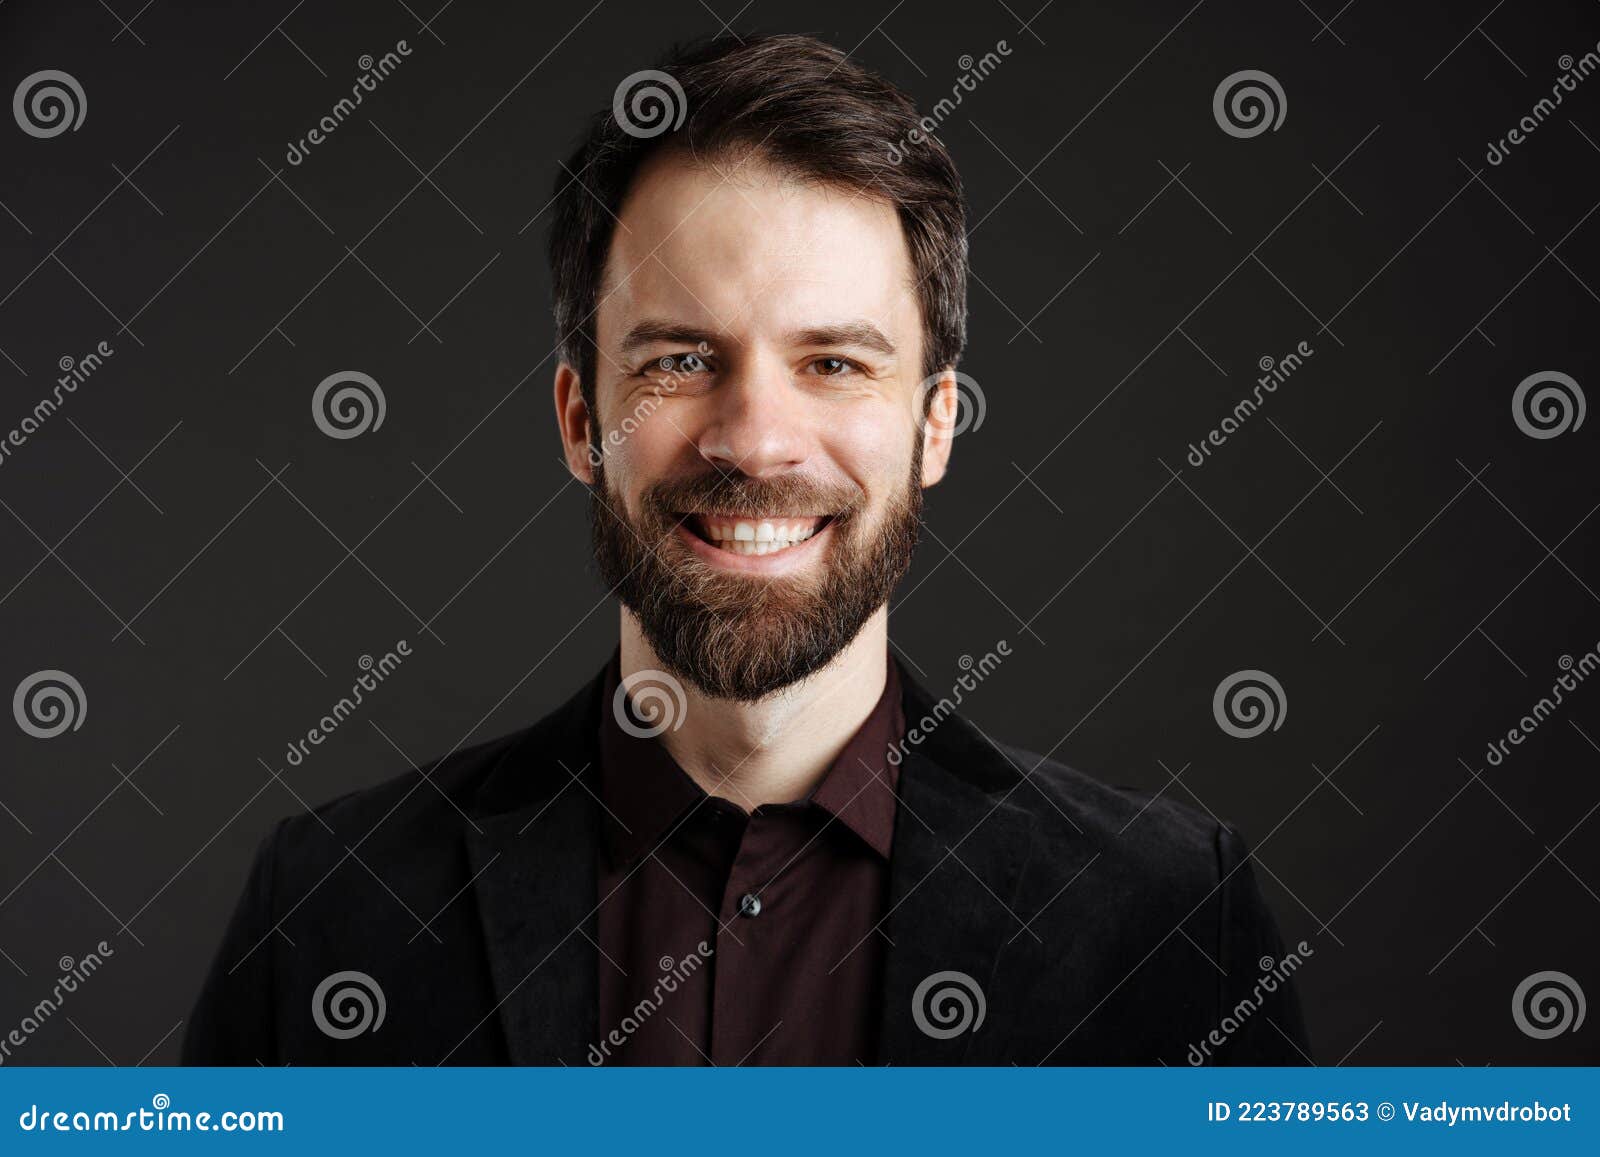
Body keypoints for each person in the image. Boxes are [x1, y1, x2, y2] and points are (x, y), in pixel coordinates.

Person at [183, 33, 1309, 1066]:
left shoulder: (1164, 918)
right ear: (582, 421)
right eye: (679, 359)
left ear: (934, 426)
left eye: (833, 363)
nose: (756, 441)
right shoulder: (333, 903)